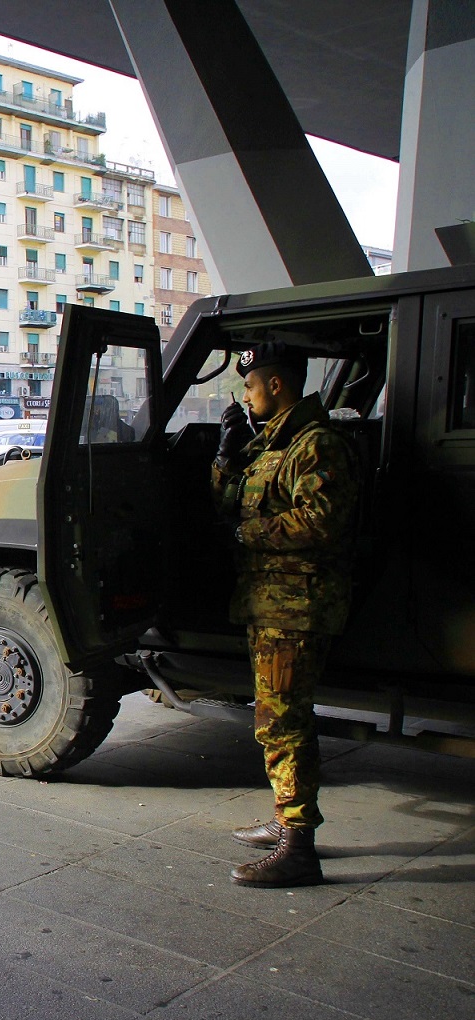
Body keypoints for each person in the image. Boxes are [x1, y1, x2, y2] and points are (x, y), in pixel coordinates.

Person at [212, 342, 360, 888]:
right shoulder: (273, 444)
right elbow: (228, 500)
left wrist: (244, 534)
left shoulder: (315, 443)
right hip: (271, 604)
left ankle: (299, 848)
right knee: (277, 717)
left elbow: (321, 520)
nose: (246, 396)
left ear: (276, 385)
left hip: (296, 606)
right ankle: (285, 822)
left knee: (284, 722)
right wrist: (226, 454)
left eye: (250, 386)